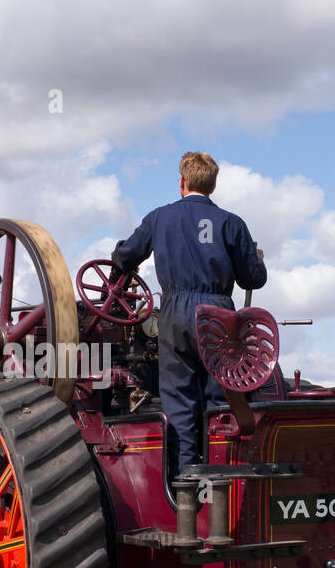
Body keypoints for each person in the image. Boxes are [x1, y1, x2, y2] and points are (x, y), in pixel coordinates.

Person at [112, 152, 266, 479]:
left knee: (179, 398)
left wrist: (119, 252)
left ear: (182, 182)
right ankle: (222, 479)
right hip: (219, 315)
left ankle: (185, 481)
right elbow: (253, 279)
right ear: (212, 183)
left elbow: (125, 257)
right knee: (220, 395)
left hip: (175, 313)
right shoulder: (232, 223)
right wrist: (257, 260)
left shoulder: (160, 218)